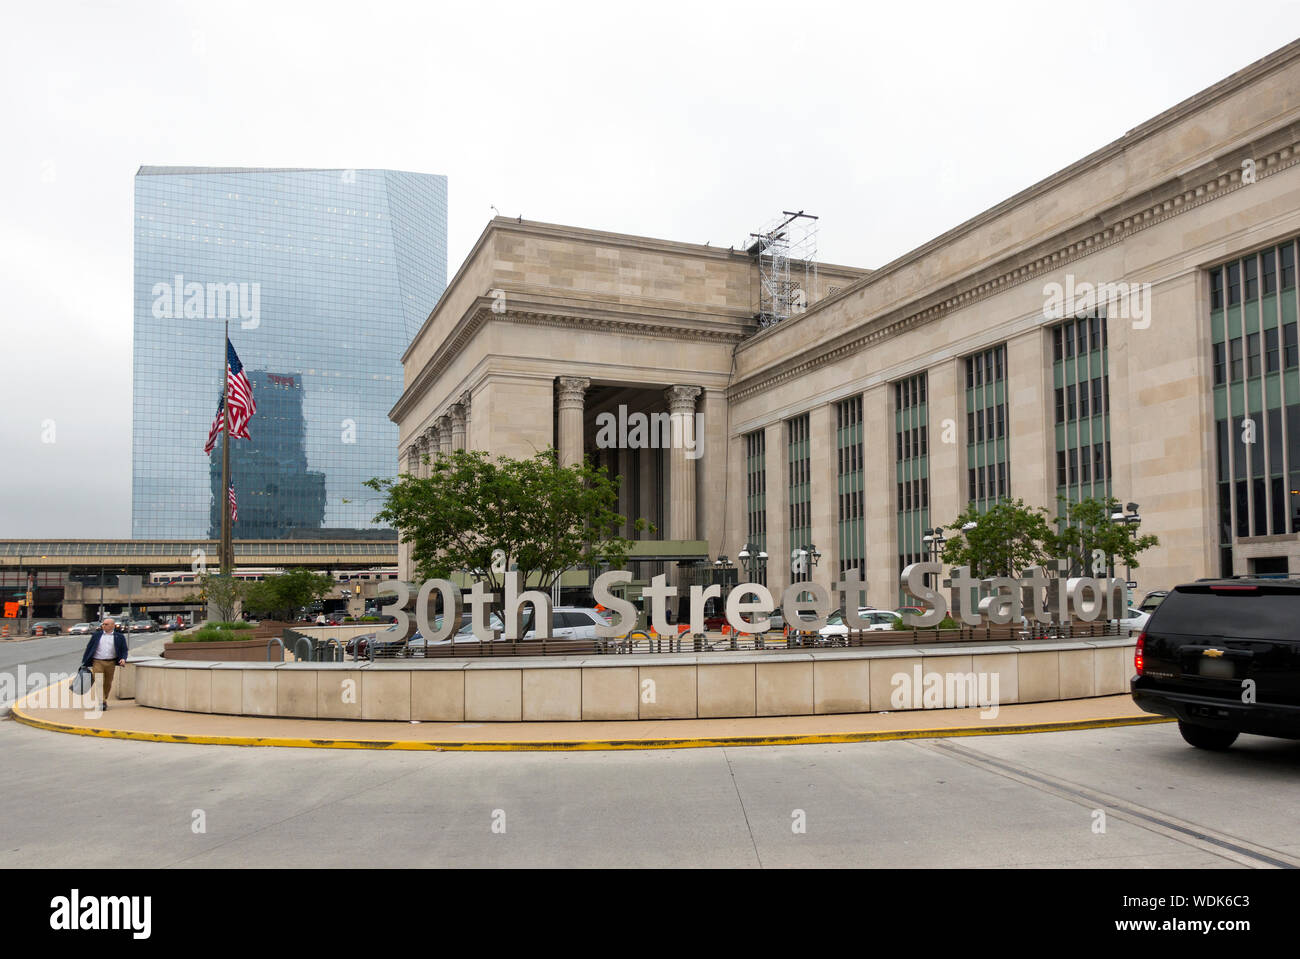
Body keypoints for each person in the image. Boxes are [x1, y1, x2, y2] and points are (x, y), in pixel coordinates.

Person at [80, 616, 128, 710]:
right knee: (99, 681)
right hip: (97, 661)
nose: (103, 626)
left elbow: (124, 650)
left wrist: (123, 659)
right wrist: (84, 661)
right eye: (103, 624)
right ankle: (101, 702)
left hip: (111, 662)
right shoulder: (96, 635)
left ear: (112, 626)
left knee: (108, 683)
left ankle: (104, 699)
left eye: (106, 624)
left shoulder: (119, 637)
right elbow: (89, 648)